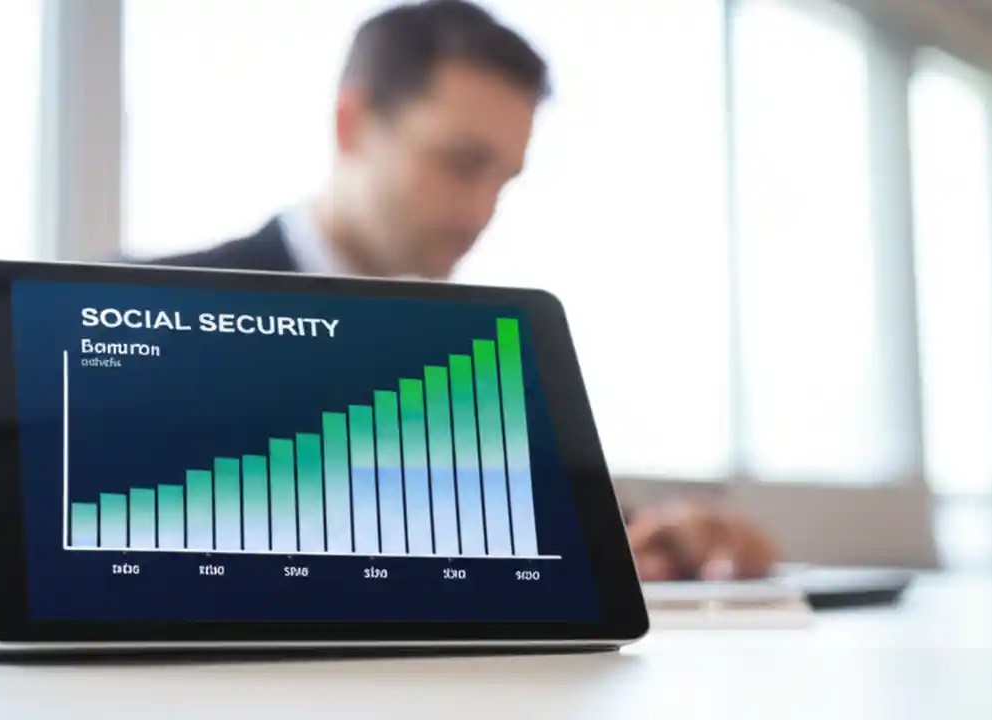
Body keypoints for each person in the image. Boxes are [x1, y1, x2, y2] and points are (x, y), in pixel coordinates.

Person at [147, 0, 776, 581]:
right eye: (461, 162)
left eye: (503, 178)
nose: (481, 211)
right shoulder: (151, 311)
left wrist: (661, 540)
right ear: (354, 123)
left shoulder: (459, 358)